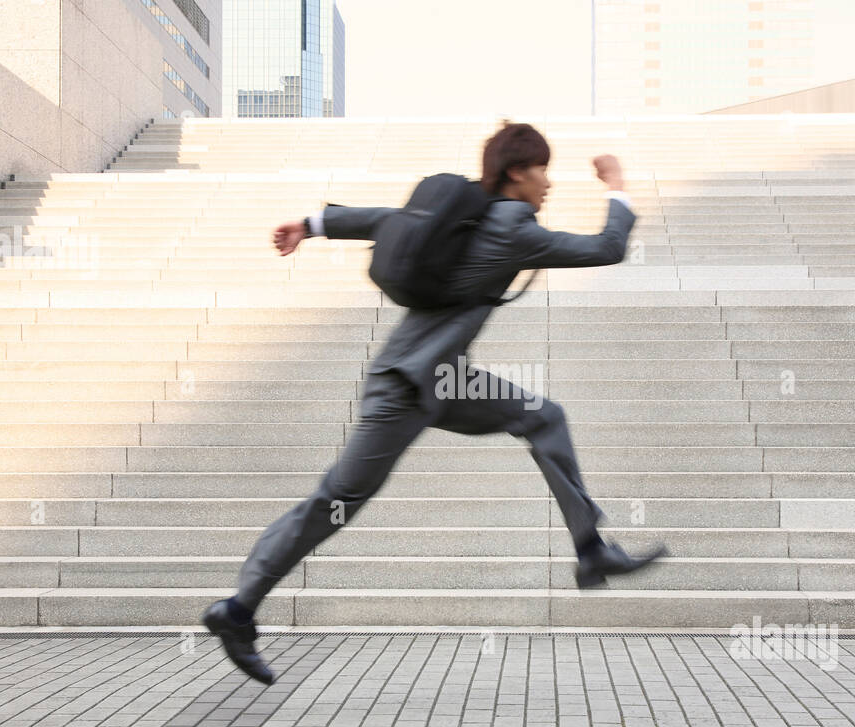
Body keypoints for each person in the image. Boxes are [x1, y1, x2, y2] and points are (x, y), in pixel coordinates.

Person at [203, 122, 668, 684]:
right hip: (405, 388)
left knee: (545, 417)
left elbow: (383, 218)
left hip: (443, 380)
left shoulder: (466, 213)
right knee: (338, 498)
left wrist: (313, 224)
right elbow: (607, 249)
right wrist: (616, 185)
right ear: (518, 172)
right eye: (544, 170)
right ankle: (238, 609)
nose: (549, 183)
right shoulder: (512, 225)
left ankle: (590, 549)